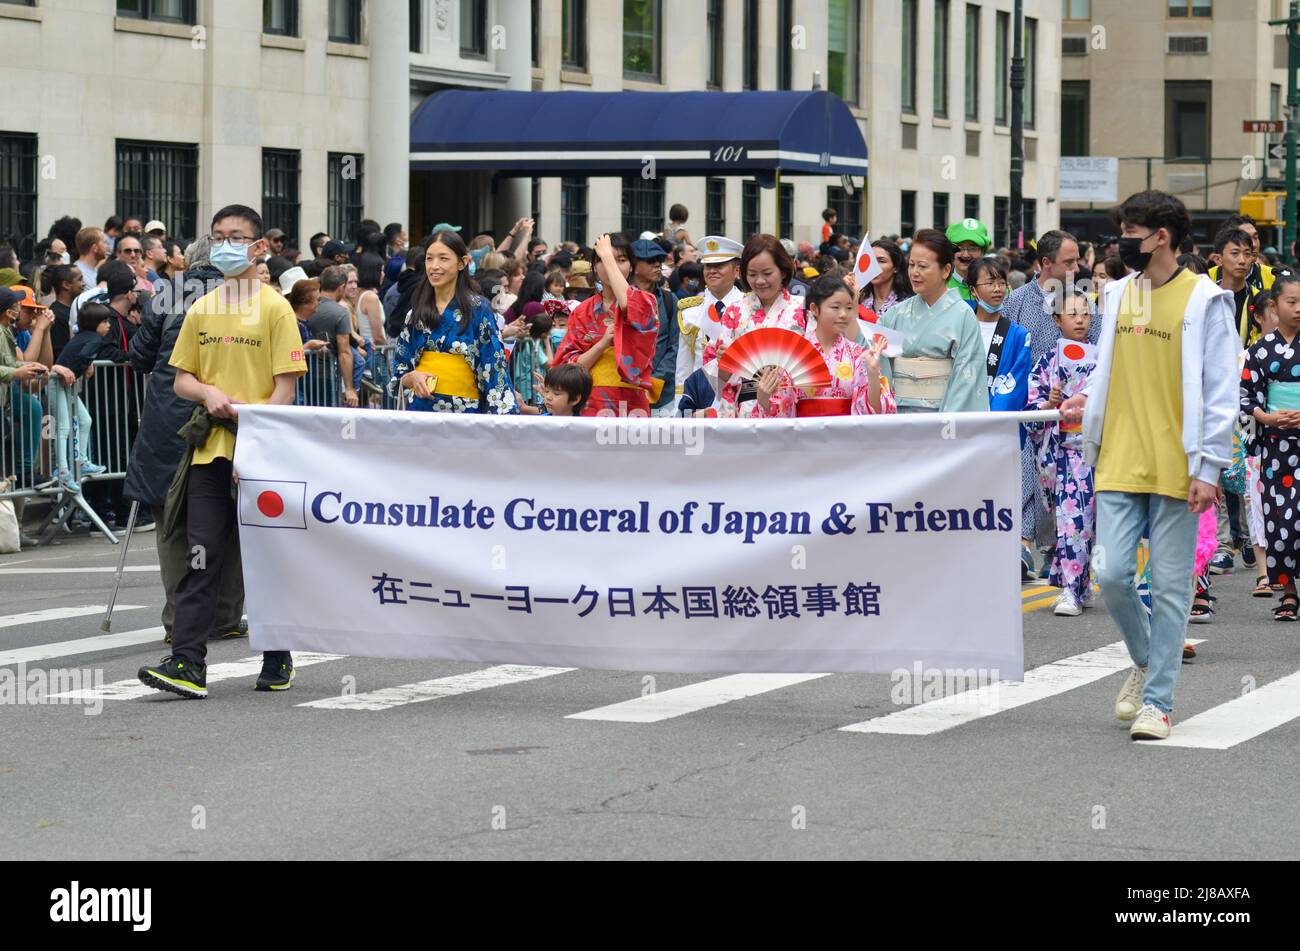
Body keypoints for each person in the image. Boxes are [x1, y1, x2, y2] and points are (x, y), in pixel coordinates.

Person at [1059, 190, 1237, 741]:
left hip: (1178, 466)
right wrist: (1088, 400)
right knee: (1110, 573)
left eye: (1131, 232)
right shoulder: (1118, 295)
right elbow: (1111, 367)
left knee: (1170, 588)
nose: (1121, 243)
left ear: (1162, 236)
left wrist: (1209, 467)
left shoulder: (1205, 301)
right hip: (1118, 455)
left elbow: (1220, 391)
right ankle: (1145, 656)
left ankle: (1158, 701)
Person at [137, 205, 307, 699]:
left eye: (235, 236)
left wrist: (251, 427)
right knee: (200, 552)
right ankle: (188, 662)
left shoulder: (275, 308)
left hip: (260, 455)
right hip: (209, 452)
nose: (224, 245)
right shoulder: (202, 307)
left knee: (265, 558)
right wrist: (207, 394)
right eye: (217, 237)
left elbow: (285, 391)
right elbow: (182, 377)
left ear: (259, 248)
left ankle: (278, 656)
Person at [1002, 230, 1089, 578]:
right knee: (1027, 475)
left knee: (1061, 486)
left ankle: (1059, 550)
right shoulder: (1018, 301)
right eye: (1069, 262)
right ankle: (1022, 547)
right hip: (1027, 407)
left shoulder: (1084, 303)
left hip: (1072, 415)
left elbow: (1096, 356)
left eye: (1078, 260)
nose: (1077, 267)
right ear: (1046, 263)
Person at [388, 230, 518, 414]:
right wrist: (410, 378)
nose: (434, 266)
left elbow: (494, 367)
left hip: (465, 414)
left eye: (443, 258)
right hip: (420, 411)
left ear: (462, 262)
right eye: (429, 258)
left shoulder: (479, 309)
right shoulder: (416, 313)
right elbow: (400, 368)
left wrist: (503, 419)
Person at [1026, 290, 1097, 617]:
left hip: (1092, 449)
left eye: (1085, 313)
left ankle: (1072, 588)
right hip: (1058, 451)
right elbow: (1032, 409)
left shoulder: (1101, 358)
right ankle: (1077, 584)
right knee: (1066, 519)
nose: (1080, 319)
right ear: (1057, 320)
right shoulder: (1046, 361)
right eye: (1072, 314)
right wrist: (1050, 403)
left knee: (1078, 520)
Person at [1240, 272, 1300, 621]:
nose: (1297, 309)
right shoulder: (1260, 350)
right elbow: (1245, 396)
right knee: (1281, 521)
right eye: (1291, 302)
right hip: (1277, 447)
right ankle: (1288, 591)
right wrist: (1267, 419)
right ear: (1274, 306)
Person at [751, 275, 894, 418]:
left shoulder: (858, 354)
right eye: (835, 307)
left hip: (845, 434)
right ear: (814, 309)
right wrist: (764, 399)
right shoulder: (793, 355)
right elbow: (782, 408)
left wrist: (873, 375)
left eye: (849, 307)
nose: (844, 314)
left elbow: (874, 414)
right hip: (804, 435)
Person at [876, 229, 986, 414]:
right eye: (911, 265)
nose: (914, 272)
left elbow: (967, 376)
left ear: (945, 270)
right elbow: (873, 352)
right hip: (899, 417)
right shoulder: (896, 314)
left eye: (923, 266)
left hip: (941, 416)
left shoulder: (963, 315)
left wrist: (945, 423)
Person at [699, 235, 806, 418]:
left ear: (783, 271)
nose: (759, 281)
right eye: (752, 274)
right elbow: (716, 377)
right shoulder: (734, 312)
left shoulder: (801, 310)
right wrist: (725, 361)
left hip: (788, 406)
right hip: (745, 407)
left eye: (767, 273)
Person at [555, 233, 660, 418]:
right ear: (595, 267)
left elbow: (628, 304)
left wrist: (607, 258)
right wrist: (601, 344)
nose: (614, 265)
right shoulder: (582, 311)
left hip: (632, 400)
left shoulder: (646, 301)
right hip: (590, 399)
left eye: (622, 259)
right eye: (604, 260)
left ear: (631, 267)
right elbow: (566, 366)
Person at [49, 302, 113, 491]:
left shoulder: (84, 336)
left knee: (85, 420)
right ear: (95, 323)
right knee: (63, 426)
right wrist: (86, 364)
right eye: (105, 321)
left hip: (63, 385)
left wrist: (88, 364)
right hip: (56, 383)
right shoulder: (94, 339)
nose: (108, 325)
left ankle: (81, 461)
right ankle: (62, 471)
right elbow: (83, 356)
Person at [968, 257, 1032, 415]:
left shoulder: (1019, 336)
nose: (997, 289)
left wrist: (993, 415)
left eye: (1002, 283)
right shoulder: (961, 330)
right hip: (964, 417)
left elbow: (1017, 383)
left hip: (998, 422)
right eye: (990, 283)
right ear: (973, 290)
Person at [630, 238, 678, 417]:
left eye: (660, 260)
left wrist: (653, 381)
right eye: (651, 261)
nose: (658, 265)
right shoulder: (621, 299)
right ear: (634, 265)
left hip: (663, 395)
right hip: (625, 389)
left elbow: (675, 346)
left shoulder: (669, 300)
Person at [309, 266, 359, 408]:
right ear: (341, 287)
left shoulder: (305, 304)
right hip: (326, 376)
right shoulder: (340, 312)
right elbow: (344, 353)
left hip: (301, 374)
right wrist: (349, 388)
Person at [1214, 227, 1268, 348]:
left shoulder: (1259, 300)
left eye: (1247, 254)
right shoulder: (1208, 297)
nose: (1242, 260)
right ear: (1218, 259)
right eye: (1235, 253)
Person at [511, 307, 553, 413]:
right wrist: (547, 343)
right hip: (528, 385)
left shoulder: (529, 341)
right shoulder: (534, 344)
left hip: (524, 382)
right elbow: (549, 363)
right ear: (544, 333)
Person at [861, 239, 913, 316]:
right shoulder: (860, 298)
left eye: (881, 261)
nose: (873, 267)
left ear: (896, 267)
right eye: (870, 260)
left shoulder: (909, 303)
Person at [945, 218, 992, 302]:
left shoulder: (998, 288)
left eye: (972, 248)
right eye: (960, 248)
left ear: (982, 252)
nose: (965, 255)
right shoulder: (939, 287)